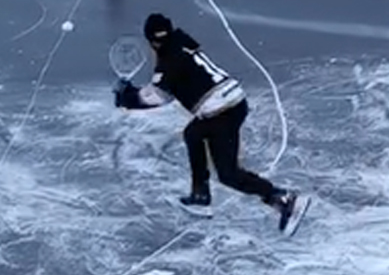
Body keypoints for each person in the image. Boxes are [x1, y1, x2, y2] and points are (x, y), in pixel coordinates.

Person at [113, 12, 309, 236]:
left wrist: (127, 97)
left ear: (151, 41)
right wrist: (133, 95)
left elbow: (157, 97)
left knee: (228, 174)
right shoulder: (181, 42)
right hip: (233, 100)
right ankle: (200, 196)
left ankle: (282, 199)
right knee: (193, 133)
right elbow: (170, 86)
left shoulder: (167, 61)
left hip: (220, 112)